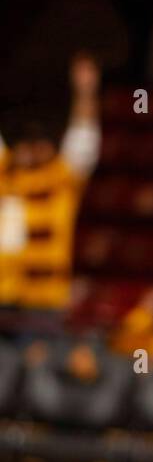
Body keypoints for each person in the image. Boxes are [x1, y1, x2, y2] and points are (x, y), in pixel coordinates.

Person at [0, 53, 102, 330]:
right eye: (24, 142)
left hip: (43, 303)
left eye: (38, 143)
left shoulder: (62, 177)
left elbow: (84, 136)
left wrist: (85, 92)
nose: (30, 150)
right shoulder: (4, 173)